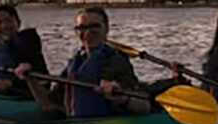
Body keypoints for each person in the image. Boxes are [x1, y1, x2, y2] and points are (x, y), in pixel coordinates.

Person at [23, 6, 151, 117]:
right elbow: (48, 105)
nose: (88, 32)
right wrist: (30, 79)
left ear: (106, 28)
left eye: (94, 26)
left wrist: (122, 98)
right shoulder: (76, 63)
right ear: (76, 32)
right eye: (82, 28)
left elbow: (145, 106)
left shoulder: (116, 60)